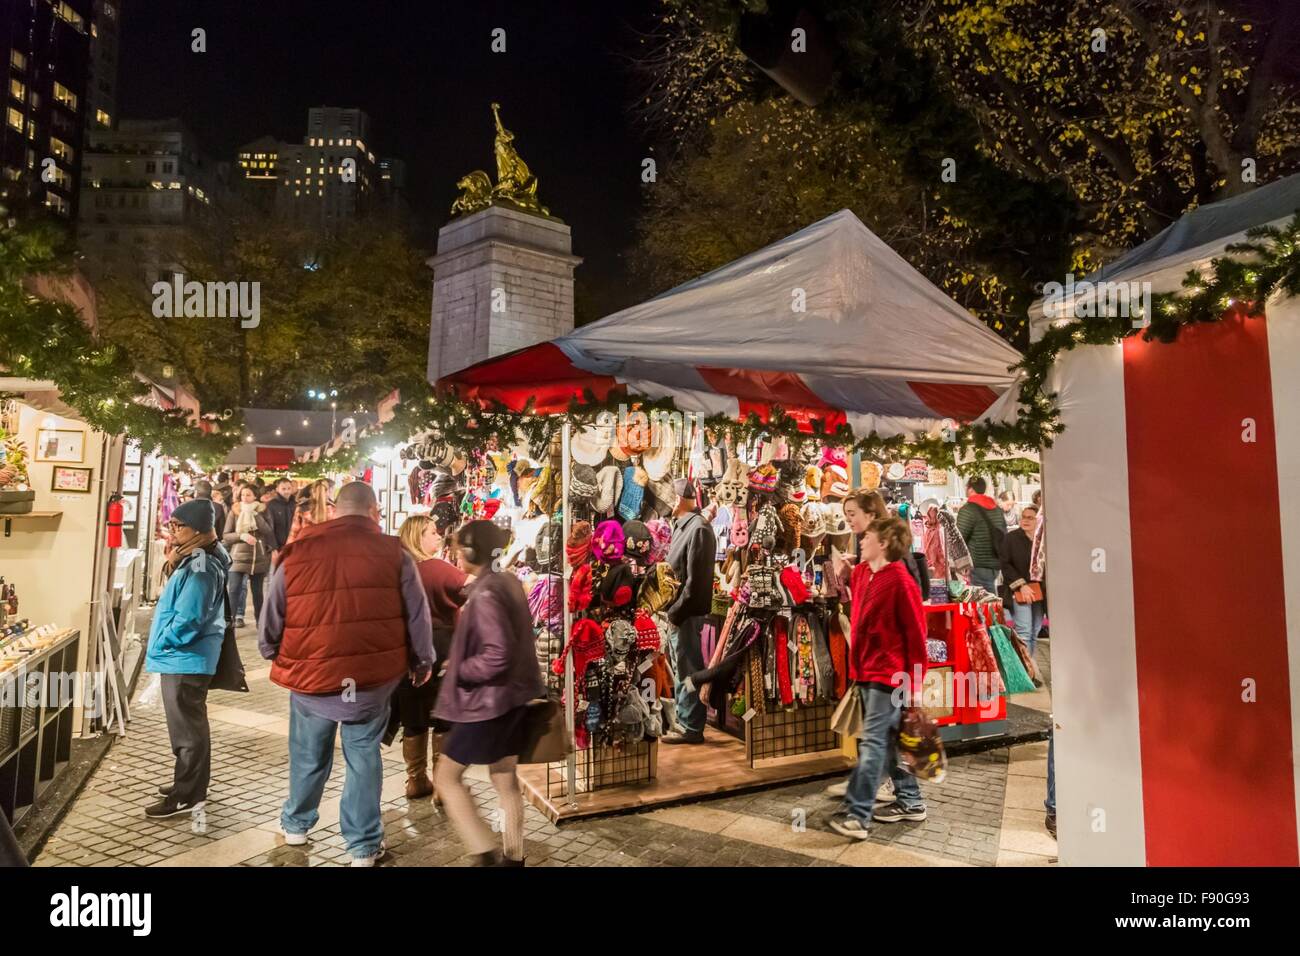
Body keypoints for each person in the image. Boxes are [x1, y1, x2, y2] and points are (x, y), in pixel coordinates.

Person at [259, 481, 433, 867]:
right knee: (363, 755)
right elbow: (417, 613)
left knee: (308, 753)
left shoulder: (299, 550)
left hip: (311, 675)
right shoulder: (395, 553)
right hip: (370, 678)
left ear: (335, 510)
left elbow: (274, 607)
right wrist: (423, 660)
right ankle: (364, 847)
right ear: (375, 512)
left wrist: (271, 649)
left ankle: (296, 825)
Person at [433, 520, 542, 867]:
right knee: (503, 776)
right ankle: (513, 856)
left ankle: (484, 853)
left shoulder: (486, 593)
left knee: (446, 778)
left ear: (470, 551)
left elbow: (498, 654)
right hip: (512, 700)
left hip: (488, 704)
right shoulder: (507, 581)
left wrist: (460, 668)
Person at [829, 516, 929, 840]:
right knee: (884, 743)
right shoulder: (863, 574)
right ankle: (910, 802)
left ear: (883, 542)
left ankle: (858, 815)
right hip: (867, 671)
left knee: (872, 742)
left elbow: (917, 636)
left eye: (867, 536)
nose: (861, 540)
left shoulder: (900, 581)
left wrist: (914, 684)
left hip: (891, 674)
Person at [144, 498, 231, 818]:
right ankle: (190, 783)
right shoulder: (202, 553)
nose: (172, 531)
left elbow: (190, 616)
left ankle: (187, 794)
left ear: (197, 529)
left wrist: (166, 641)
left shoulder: (201, 564)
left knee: (186, 730)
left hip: (185, 656)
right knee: (191, 726)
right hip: (189, 656)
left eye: (178, 526)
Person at [395, 514, 468, 799]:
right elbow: (473, 587)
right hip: (442, 644)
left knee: (413, 717)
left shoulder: (397, 569)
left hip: (406, 648)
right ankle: (442, 786)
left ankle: (415, 780)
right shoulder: (438, 568)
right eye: (433, 533)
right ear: (418, 538)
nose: (439, 537)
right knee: (443, 715)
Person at [660, 478, 717, 745]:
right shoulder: (684, 527)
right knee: (682, 667)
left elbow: (696, 584)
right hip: (678, 611)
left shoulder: (698, 530)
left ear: (678, 499)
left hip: (686, 613)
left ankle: (691, 727)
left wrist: (676, 613)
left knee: (688, 667)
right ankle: (686, 722)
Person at [844, 490, 926, 594]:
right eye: (846, 514)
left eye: (852, 514)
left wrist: (851, 574)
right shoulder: (865, 541)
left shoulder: (889, 546)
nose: (847, 519)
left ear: (871, 515)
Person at [222, 484, 275, 628]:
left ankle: (260, 623)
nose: (245, 498)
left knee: (258, 593)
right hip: (238, 557)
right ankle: (229, 624)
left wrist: (256, 515)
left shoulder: (263, 511)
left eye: (248, 495)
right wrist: (242, 536)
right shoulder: (235, 511)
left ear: (255, 496)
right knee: (233, 591)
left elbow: (268, 531)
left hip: (258, 557)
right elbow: (226, 535)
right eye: (243, 495)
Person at [999, 502, 1045, 658]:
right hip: (1019, 591)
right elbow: (1005, 565)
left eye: (1030, 518)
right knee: (1024, 633)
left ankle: (1031, 670)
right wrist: (1021, 585)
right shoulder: (1011, 538)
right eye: (1023, 517)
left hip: (1039, 592)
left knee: (1035, 632)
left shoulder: (1043, 541)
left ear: (1038, 521)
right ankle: (1024, 675)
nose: (1025, 520)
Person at [956, 476, 1003, 593]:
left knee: (983, 602)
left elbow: (958, 538)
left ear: (971, 489)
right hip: (995, 563)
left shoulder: (968, 510)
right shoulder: (996, 508)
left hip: (977, 563)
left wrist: (961, 564)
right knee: (990, 595)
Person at [286, 478, 334, 545]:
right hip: (327, 548)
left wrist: (286, 551)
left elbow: (294, 533)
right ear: (328, 492)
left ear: (312, 491)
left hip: (306, 548)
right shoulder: (334, 509)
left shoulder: (302, 508)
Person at [265, 477, 297, 555]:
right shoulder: (271, 505)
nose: (287, 491)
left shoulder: (295, 504)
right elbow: (269, 528)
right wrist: (273, 547)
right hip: (279, 546)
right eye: (283, 489)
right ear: (277, 489)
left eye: (289, 488)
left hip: (294, 545)